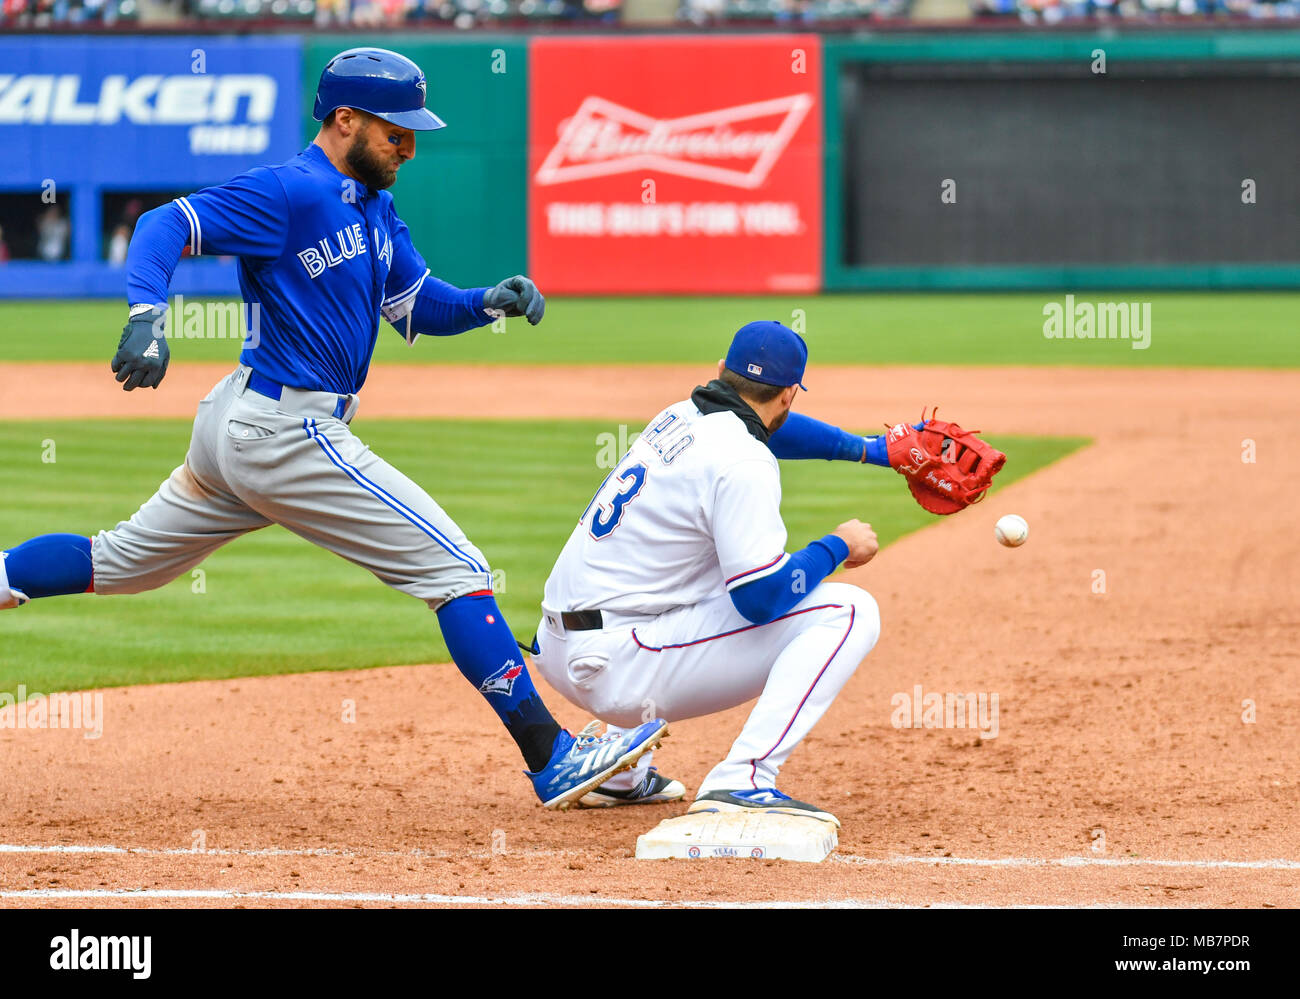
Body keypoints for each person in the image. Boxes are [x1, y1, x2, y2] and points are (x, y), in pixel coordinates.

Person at [0, 47, 667, 811]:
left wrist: (488, 300)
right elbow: (163, 225)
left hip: (241, 428)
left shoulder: (376, 206)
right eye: (396, 132)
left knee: (123, 560)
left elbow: (418, 306)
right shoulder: (291, 191)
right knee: (458, 570)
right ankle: (554, 757)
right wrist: (148, 315)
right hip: (286, 429)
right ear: (343, 119)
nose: (410, 147)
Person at [531, 321, 883, 822]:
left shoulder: (679, 417)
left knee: (711, 558)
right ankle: (743, 779)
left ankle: (621, 773)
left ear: (721, 371)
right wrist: (837, 546)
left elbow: (759, 435)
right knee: (849, 612)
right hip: (615, 670)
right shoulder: (744, 464)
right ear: (788, 396)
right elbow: (761, 599)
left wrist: (873, 450)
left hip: (563, 646)